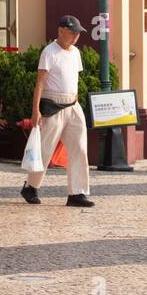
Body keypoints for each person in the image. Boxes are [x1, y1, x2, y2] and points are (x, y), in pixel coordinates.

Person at [20, 15, 94, 207]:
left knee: (79, 149)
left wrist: (76, 100)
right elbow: (40, 83)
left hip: (73, 106)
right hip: (52, 107)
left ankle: (77, 193)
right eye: (72, 32)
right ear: (61, 31)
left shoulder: (76, 53)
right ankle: (31, 187)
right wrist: (35, 110)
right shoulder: (49, 52)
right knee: (44, 150)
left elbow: (73, 78)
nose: (76, 36)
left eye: (78, 32)